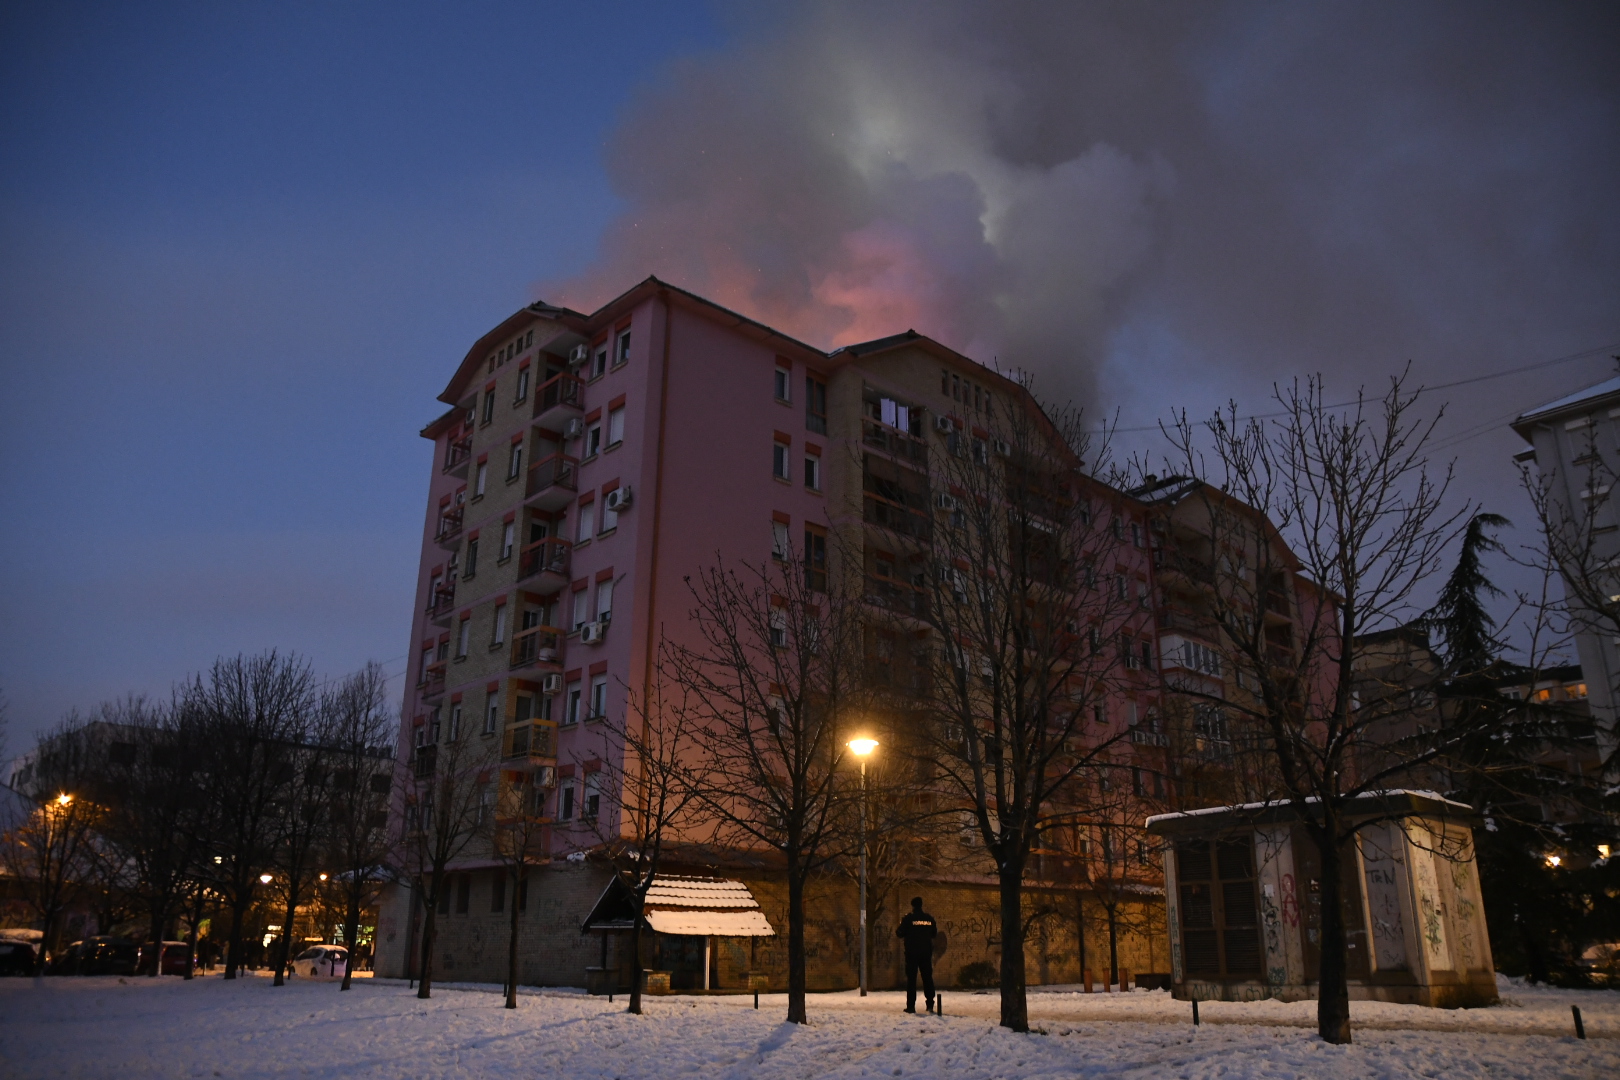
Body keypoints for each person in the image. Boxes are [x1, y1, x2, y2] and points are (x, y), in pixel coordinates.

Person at [895, 896, 937, 1013]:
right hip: (926, 953)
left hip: (912, 953)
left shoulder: (908, 919)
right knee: (927, 978)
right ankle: (930, 1004)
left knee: (911, 980)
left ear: (912, 906)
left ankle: (911, 1006)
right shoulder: (929, 919)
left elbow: (899, 933)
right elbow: (934, 934)